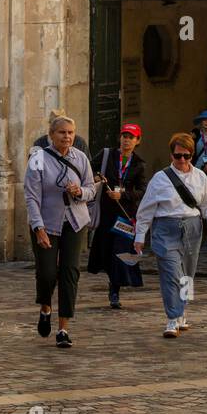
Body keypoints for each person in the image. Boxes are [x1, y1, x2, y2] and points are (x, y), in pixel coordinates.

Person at [134, 131, 207, 338]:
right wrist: (139, 236)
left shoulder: (200, 177)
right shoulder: (160, 179)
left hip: (192, 228)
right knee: (171, 273)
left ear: (192, 155)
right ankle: (172, 317)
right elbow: (146, 210)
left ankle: (183, 312)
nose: (182, 160)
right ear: (171, 155)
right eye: (177, 156)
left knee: (187, 275)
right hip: (166, 228)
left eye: (186, 156)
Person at [23, 114, 97, 347]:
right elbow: (32, 196)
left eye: (70, 133)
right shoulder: (38, 158)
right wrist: (38, 227)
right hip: (46, 222)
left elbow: (91, 189)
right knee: (46, 273)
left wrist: (80, 192)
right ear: (51, 135)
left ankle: (63, 329)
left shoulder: (81, 157)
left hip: (74, 221)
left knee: (69, 271)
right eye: (62, 132)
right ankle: (46, 307)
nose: (67, 137)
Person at [88, 123, 147, 309]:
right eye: (124, 136)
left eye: (131, 137)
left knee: (120, 253)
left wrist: (123, 195)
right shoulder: (107, 155)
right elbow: (88, 170)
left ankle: (115, 290)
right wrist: (97, 178)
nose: (127, 140)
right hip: (106, 214)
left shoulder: (139, 164)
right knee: (106, 251)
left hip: (125, 215)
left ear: (138, 141)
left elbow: (143, 190)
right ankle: (113, 282)